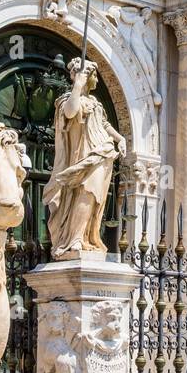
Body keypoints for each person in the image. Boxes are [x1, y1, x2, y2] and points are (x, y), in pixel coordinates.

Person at [44, 57, 125, 260]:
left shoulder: (95, 103)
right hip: (82, 155)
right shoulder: (66, 100)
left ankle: (88, 237)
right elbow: (70, 112)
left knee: (95, 196)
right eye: (85, 74)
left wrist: (120, 138)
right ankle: (74, 239)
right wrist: (77, 86)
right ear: (76, 76)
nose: (90, 78)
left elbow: (104, 124)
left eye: (90, 74)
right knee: (84, 191)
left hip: (103, 151)